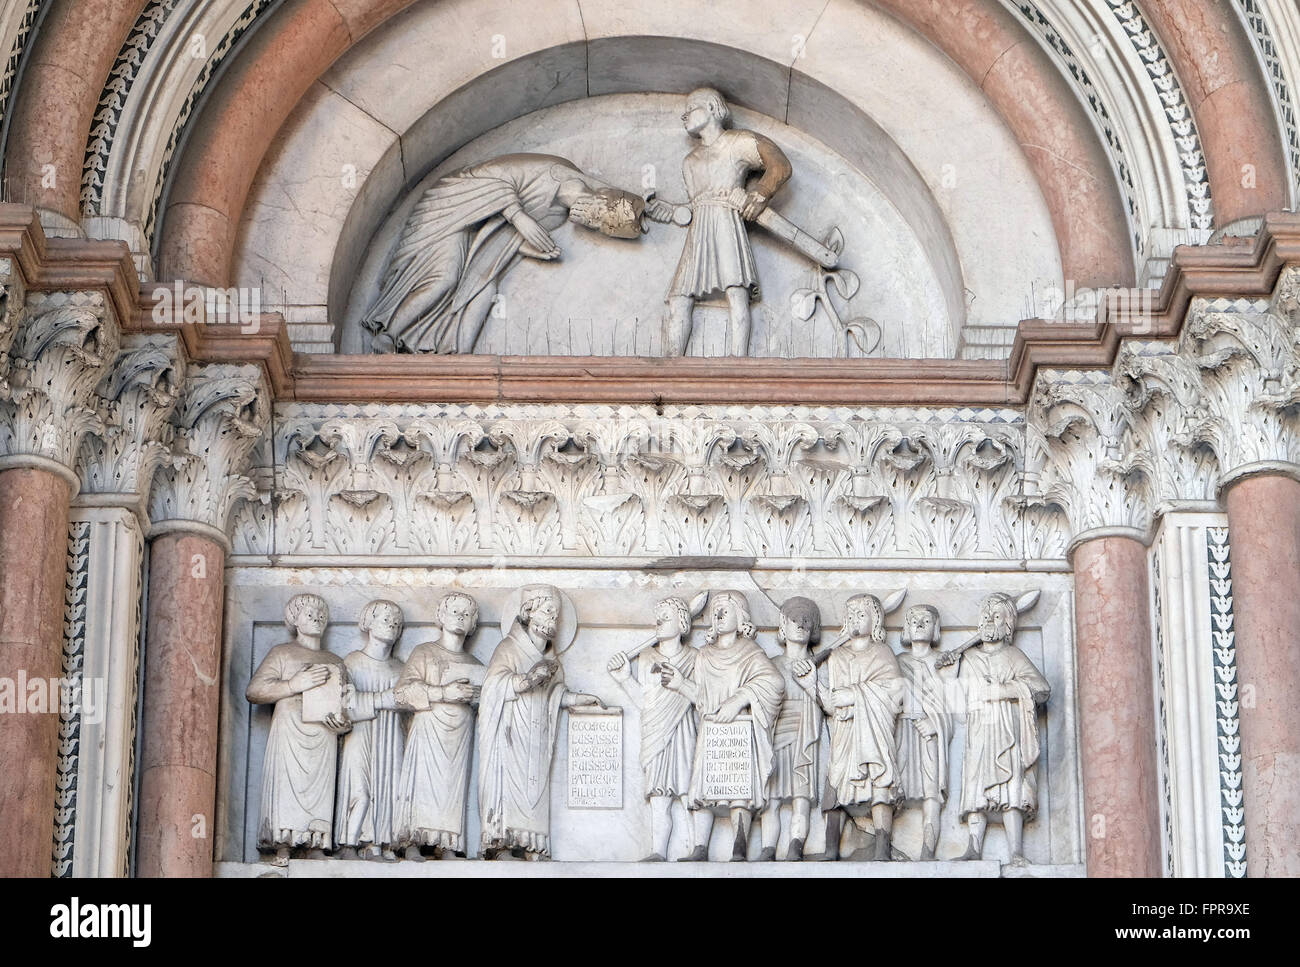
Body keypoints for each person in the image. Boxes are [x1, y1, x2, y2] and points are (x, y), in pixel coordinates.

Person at [363, 154, 662, 353]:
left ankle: (455, 358)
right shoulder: (555, 171)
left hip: (479, 231)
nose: (591, 224)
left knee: (484, 286)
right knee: (445, 276)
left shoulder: (558, 217)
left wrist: (530, 248)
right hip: (452, 206)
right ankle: (389, 335)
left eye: (597, 226)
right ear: (599, 199)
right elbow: (488, 177)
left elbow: (502, 240)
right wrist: (518, 215)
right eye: (598, 218)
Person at [657, 87, 792, 356]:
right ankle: (672, 362)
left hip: (726, 220)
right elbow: (695, 205)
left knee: (736, 291)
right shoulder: (690, 161)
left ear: (711, 108)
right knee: (679, 296)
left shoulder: (736, 142)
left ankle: (738, 359)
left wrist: (761, 194)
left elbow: (779, 164)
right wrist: (670, 211)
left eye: (691, 108)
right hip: (700, 229)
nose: (684, 115)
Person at [477, 585, 603, 859]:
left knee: (536, 789)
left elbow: (555, 694)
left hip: (538, 735)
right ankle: (504, 844)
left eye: (556, 616)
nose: (553, 621)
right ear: (528, 612)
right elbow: (492, 687)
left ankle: (532, 844)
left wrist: (577, 699)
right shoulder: (508, 648)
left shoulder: (551, 658)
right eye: (548, 612)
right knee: (511, 789)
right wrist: (525, 680)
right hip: (510, 734)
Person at [674, 590, 784, 861]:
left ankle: (740, 846)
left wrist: (739, 699)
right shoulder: (704, 656)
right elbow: (702, 699)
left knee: (740, 793)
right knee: (703, 791)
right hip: (712, 731)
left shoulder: (750, 652)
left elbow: (774, 682)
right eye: (715, 611)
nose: (719, 615)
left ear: (741, 616)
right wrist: (679, 684)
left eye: (726, 610)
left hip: (740, 731)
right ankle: (700, 847)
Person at [245, 594, 350, 864]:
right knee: (287, 786)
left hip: (323, 734)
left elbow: (347, 705)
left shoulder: (335, 660)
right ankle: (284, 845)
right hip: (290, 730)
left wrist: (342, 724)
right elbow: (255, 691)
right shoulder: (282, 653)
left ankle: (316, 843)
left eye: (321, 614)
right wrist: (294, 684)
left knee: (320, 789)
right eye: (308, 613)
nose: (316, 618)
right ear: (294, 620)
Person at [798, 593, 903, 860]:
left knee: (880, 784)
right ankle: (831, 848)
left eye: (862, 614)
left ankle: (882, 848)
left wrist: (855, 694)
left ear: (875, 621)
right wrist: (811, 683)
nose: (855, 619)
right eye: (851, 615)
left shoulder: (882, 653)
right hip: (844, 735)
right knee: (835, 784)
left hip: (874, 735)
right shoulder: (837, 657)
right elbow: (831, 705)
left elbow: (895, 693)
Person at [951, 592, 1050, 865]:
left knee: (1012, 789)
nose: (989, 621)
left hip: (1008, 729)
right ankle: (973, 848)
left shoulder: (1013, 655)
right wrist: (950, 669)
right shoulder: (969, 658)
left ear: (1007, 625)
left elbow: (1042, 689)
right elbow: (956, 700)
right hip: (980, 730)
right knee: (976, 787)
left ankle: (1016, 850)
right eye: (985, 616)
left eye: (996, 616)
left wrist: (1004, 690)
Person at [607, 596, 699, 861]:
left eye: (666, 617)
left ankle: (696, 849)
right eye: (658, 617)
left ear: (682, 623)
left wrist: (682, 684)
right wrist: (625, 679)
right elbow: (645, 703)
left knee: (688, 795)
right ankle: (658, 851)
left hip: (684, 731)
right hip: (655, 733)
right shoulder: (647, 658)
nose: (659, 622)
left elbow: (703, 699)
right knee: (659, 797)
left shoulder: (694, 657)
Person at [393, 592, 482, 860]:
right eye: (454, 611)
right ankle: (412, 843)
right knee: (422, 785)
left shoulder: (476, 666)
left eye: (466, 614)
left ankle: (447, 845)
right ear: (440, 617)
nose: (460, 617)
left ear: (473, 625)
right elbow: (402, 693)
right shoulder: (425, 653)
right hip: (429, 728)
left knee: (453, 791)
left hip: (460, 734)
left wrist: (477, 698)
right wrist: (443, 693)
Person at [335, 599, 408, 860]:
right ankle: (349, 843)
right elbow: (345, 705)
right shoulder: (352, 662)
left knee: (390, 786)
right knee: (360, 789)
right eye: (385, 619)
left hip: (391, 737)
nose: (392, 625)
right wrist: (384, 699)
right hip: (361, 733)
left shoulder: (401, 668)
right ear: (367, 623)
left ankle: (379, 844)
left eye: (397, 623)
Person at [759, 596, 823, 861]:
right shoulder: (771, 664)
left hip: (806, 733)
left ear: (813, 629)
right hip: (776, 733)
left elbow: (828, 702)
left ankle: (796, 845)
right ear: (783, 627)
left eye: (806, 620)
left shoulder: (821, 666)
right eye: (794, 619)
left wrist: (812, 681)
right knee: (771, 798)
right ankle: (767, 848)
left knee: (801, 796)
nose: (800, 624)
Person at [895, 604, 956, 860]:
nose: (919, 624)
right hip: (900, 730)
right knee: (894, 788)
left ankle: (928, 852)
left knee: (931, 793)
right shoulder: (897, 661)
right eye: (914, 620)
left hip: (928, 733)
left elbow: (952, 706)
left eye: (926, 620)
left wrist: (935, 724)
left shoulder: (942, 662)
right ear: (906, 628)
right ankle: (884, 846)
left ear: (936, 628)